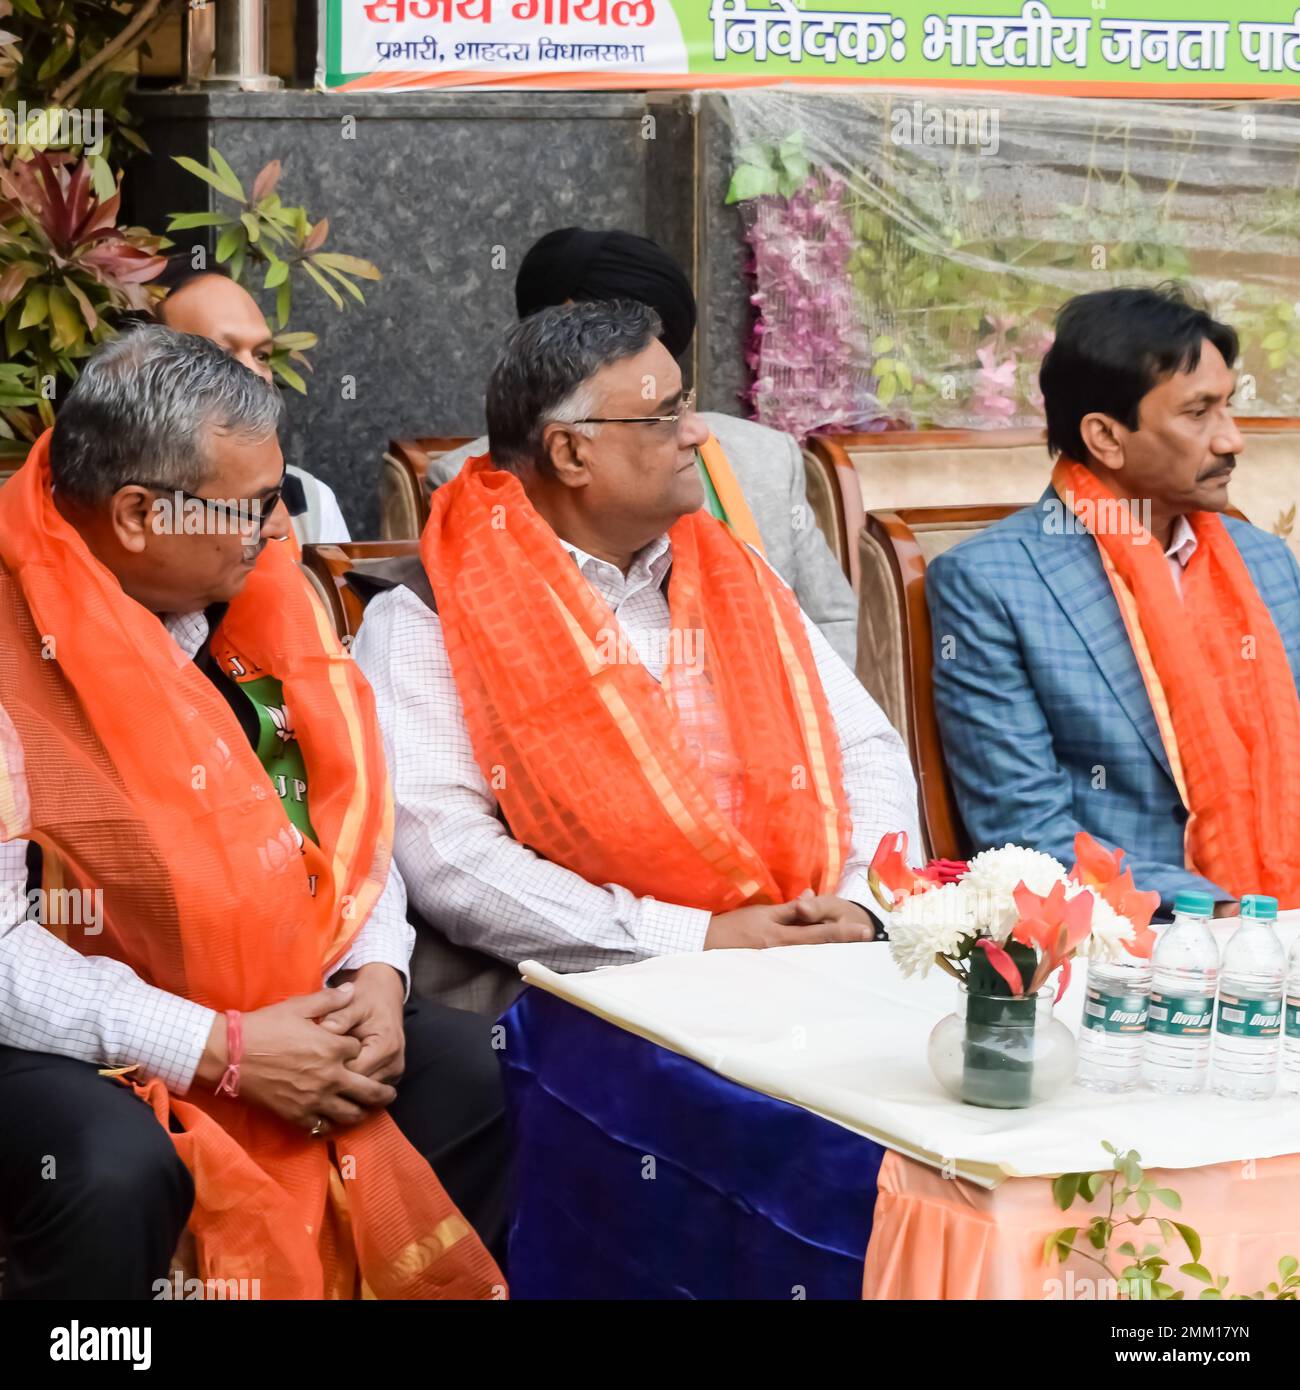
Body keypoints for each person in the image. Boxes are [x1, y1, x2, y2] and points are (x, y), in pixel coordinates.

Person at [0, 327, 506, 1299]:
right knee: (110, 1167)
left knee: (465, 1071)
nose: (278, 531)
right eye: (253, 508)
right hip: (54, 1029)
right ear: (140, 513)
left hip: (272, 988)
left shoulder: (254, 602)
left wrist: (372, 970)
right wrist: (215, 1048)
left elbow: (347, 821)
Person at [353, 301, 921, 1016]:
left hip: (810, 955)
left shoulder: (732, 573)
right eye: (663, 416)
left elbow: (864, 745)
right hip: (592, 994)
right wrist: (697, 939)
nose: (698, 434)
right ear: (569, 452)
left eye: (689, 406)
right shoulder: (428, 612)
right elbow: (449, 857)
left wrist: (860, 901)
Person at [927, 284, 1300, 913]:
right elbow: (1026, 841)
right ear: (1105, 437)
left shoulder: (1265, 563)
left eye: (1229, 407)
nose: (1232, 439)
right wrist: (1233, 918)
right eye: (1197, 412)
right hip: (1136, 946)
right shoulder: (991, 583)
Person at [428, 227, 859, 666]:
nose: (695, 434)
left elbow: (828, 618)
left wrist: (811, 719)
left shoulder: (765, 457)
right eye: (598, 329)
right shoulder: (475, 481)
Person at [156, 264, 352, 545]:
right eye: (221, 354)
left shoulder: (310, 502)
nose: (253, 374)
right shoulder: (114, 504)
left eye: (261, 356)